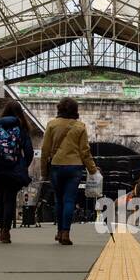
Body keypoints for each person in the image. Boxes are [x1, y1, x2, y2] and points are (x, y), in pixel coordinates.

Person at [40, 97, 98, 246]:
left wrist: (43, 171)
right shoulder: (80, 127)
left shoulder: (51, 125)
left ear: (59, 109)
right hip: (75, 167)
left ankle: (59, 232)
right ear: (75, 110)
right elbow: (85, 151)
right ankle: (65, 233)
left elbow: (45, 150)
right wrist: (93, 170)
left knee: (59, 200)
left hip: (56, 166)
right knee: (69, 200)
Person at [0, 102, 35, 243]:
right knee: (9, 199)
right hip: (14, 169)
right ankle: (6, 230)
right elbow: (29, 151)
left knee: (0, 199)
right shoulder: (22, 128)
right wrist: (23, 165)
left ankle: (1, 228)